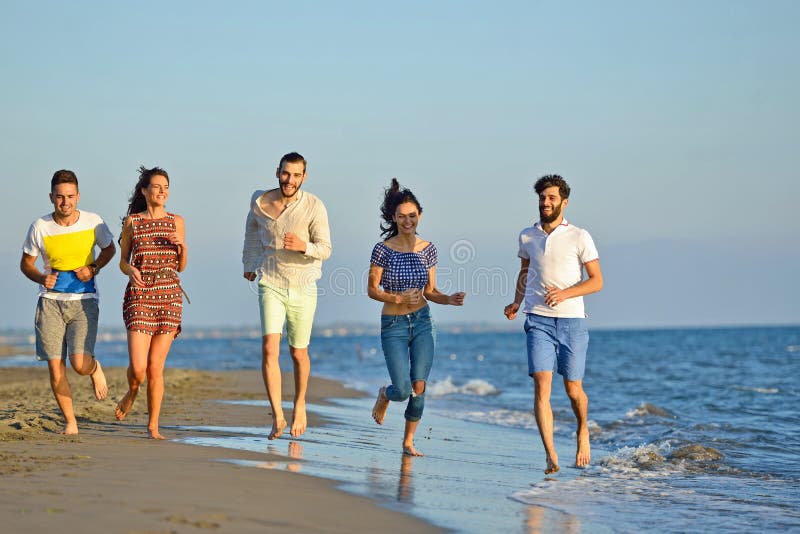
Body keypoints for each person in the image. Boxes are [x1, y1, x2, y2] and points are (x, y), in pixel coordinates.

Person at [503, 174, 603, 474]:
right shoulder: (527, 236)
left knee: (573, 390)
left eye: (551, 198)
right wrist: (516, 302)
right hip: (538, 320)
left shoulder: (580, 236)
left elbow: (597, 281)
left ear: (564, 201)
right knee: (542, 386)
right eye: (542, 198)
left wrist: (566, 293)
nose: (546, 203)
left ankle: (582, 429)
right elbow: (525, 272)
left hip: (572, 321)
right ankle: (551, 456)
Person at [369, 178, 465, 456]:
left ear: (419, 215)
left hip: (423, 322)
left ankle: (408, 441)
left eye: (412, 216)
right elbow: (372, 289)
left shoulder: (429, 248)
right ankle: (385, 395)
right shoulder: (382, 249)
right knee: (401, 389)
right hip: (394, 325)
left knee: (419, 385)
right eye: (402, 216)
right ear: (394, 218)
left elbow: (431, 290)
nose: (408, 221)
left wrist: (447, 299)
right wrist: (397, 298)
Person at [242, 152, 332, 440]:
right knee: (269, 348)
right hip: (271, 281)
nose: (289, 180)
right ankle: (278, 416)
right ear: (277, 172)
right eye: (285, 173)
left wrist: (303, 246)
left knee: (298, 352)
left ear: (304, 177)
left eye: (296, 175)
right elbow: (251, 234)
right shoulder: (259, 202)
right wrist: (249, 263)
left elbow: (326, 249)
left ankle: (300, 403)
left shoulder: (314, 206)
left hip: (304, 285)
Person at [20, 169, 116, 435]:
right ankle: (71, 422)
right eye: (60, 197)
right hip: (49, 303)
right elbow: (26, 264)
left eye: (70, 196)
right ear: (52, 197)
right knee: (55, 366)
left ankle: (94, 367)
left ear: (78, 196)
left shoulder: (93, 221)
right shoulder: (40, 226)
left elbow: (110, 249)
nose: (65, 202)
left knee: (79, 364)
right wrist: (41, 276)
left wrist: (94, 268)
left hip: (84, 302)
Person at [115, 166, 187, 440]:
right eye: (156, 186)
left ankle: (153, 426)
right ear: (144, 191)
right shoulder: (133, 222)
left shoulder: (177, 221)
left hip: (169, 295)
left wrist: (183, 247)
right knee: (138, 369)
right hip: (141, 294)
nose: (162, 191)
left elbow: (181, 266)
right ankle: (132, 391)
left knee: (155, 367)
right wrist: (129, 270)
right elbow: (123, 260)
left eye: (166, 186)